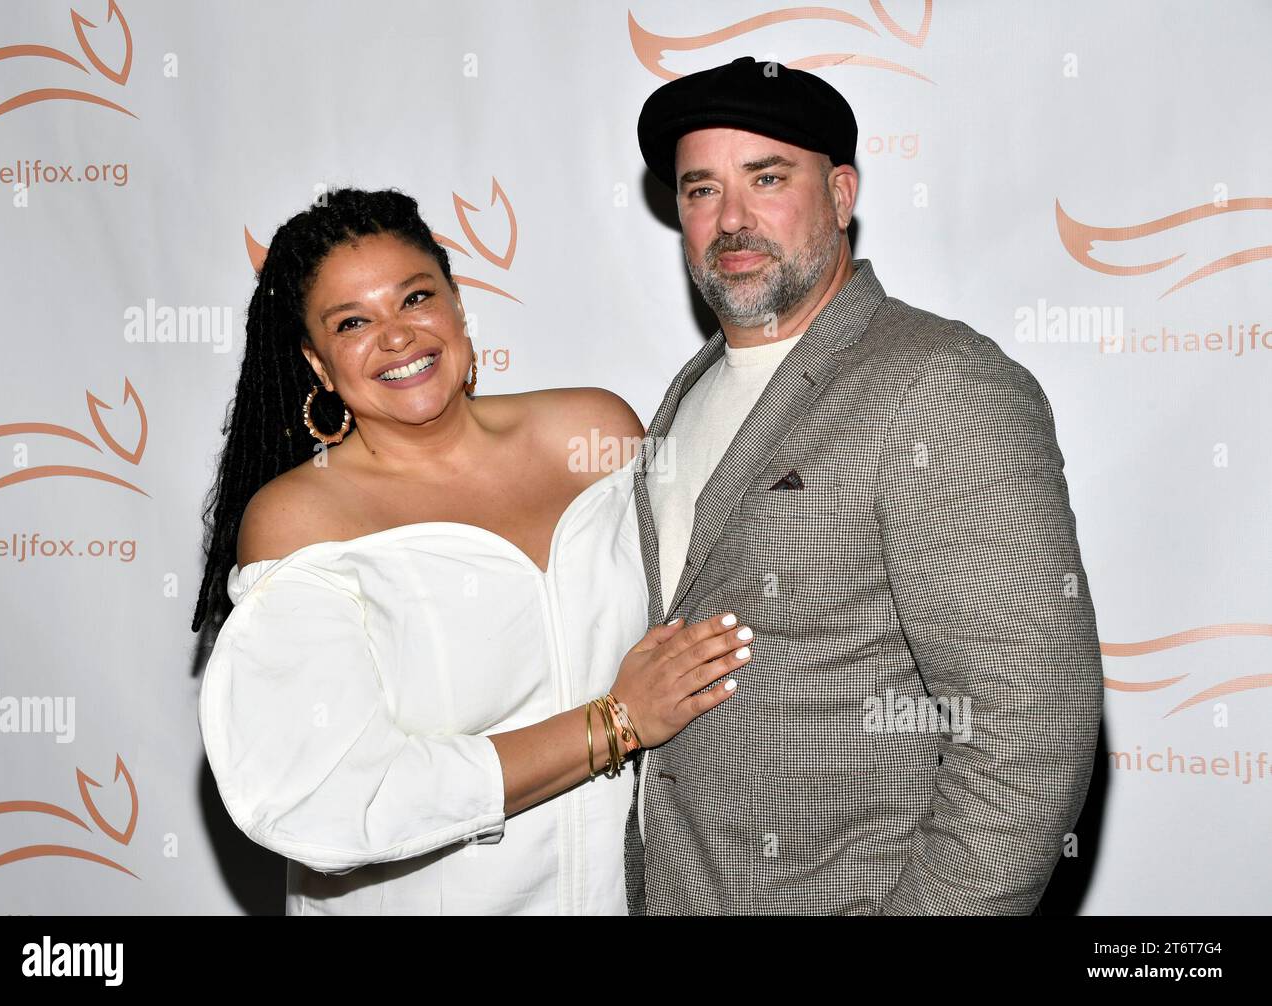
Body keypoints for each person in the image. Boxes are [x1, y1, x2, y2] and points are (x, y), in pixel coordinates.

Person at [625, 56, 1105, 915]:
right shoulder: (688, 394)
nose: (731, 219)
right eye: (701, 191)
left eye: (766, 179)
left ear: (842, 195)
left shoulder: (940, 383)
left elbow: (1028, 734)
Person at [190, 187, 752, 915]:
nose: (396, 336)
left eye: (415, 297)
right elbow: (332, 796)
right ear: (319, 364)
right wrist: (614, 723)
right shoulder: (302, 517)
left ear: (458, 307)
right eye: (353, 321)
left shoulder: (595, 433)